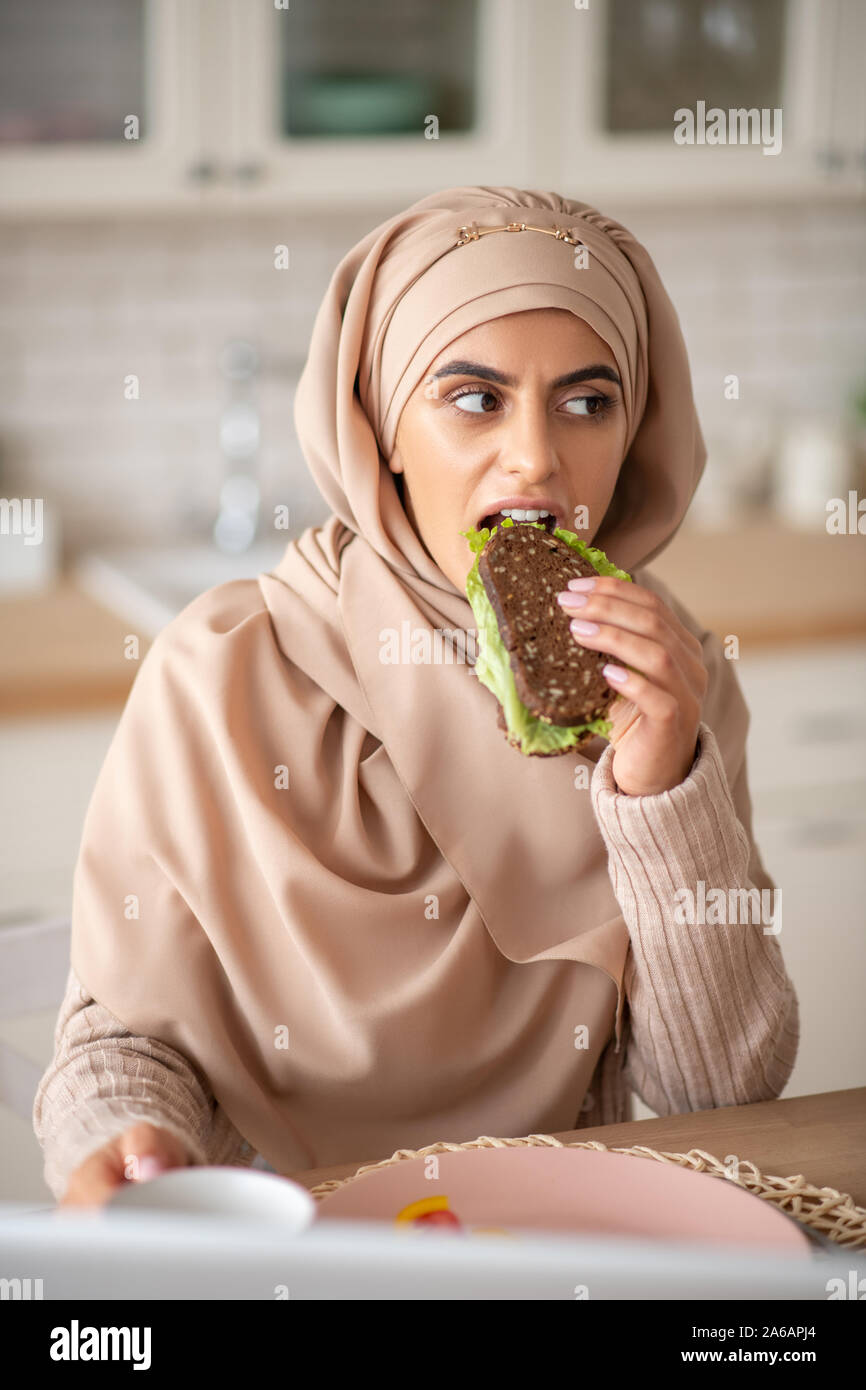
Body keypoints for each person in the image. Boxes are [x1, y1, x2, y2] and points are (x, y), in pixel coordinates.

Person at [33, 186, 798, 1208]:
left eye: (586, 402)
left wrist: (662, 786)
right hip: (283, 1236)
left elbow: (723, 1088)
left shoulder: (667, 678)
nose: (535, 457)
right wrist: (127, 1134)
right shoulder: (221, 670)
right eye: (474, 398)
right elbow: (117, 1040)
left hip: (558, 1233)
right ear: (382, 426)